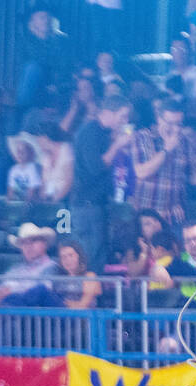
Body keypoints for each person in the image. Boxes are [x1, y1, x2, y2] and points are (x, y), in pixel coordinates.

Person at [131, 97, 196, 225]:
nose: (176, 129)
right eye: (171, 123)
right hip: (147, 216)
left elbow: (192, 178)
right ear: (159, 119)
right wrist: (167, 149)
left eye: (179, 124)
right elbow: (141, 172)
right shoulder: (142, 137)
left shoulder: (185, 141)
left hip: (174, 217)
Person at [70, 94, 115, 271]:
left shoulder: (100, 132)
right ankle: (88, 295)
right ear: (110, 113)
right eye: (122, 116)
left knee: (97, 256)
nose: (124, 121)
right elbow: (95, 167)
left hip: (93, 204)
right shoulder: (90, 131)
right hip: (87, 206)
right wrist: (117, 145)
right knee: (91, 258)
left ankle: (91, 294)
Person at [0, 223, 65, 306]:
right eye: (24, 243)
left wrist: (12, 291)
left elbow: (44, 291)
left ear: (44, 244)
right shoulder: (15, 270)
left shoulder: (54, 268)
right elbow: (0, 293)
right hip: (16, 316)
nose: (28, 246)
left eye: (33, 241)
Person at [56, 238, 103, 309]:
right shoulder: (60, 278)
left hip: (82, 317)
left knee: (41, 290)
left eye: (71, 255)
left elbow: (83, 305)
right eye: (63, 257)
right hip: (59, 316)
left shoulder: (89, 276)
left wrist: (67, 304)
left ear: (79, 257)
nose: (67, 260)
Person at [6, 135, 44, 200]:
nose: (20, 154)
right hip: (17, 200)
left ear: (30, 153)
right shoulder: (14, 169)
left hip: (30, 202)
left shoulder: (33, 168)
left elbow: (33, 190)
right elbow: (10, 190)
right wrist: (10, 201)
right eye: (18, 151)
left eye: (23, 151)